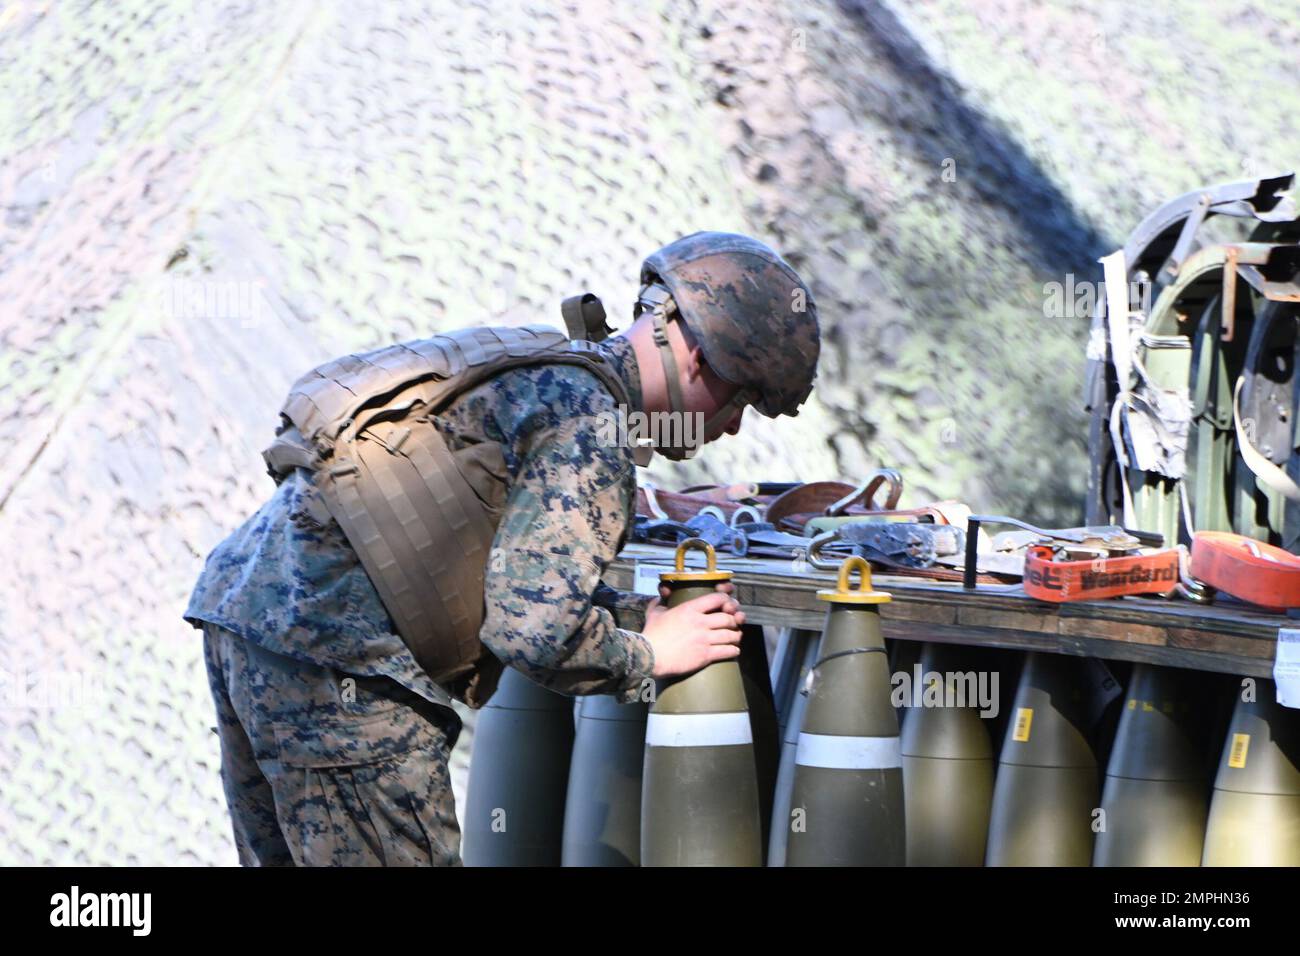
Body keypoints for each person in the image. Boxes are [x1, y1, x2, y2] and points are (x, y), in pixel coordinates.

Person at [183, 231, 821, 865]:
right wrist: (650, 654)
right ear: (699, 360)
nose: (734, 424)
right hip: (342, 671)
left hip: (247, 618)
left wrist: (614, 611)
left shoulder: (539, 365)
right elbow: (533, 630)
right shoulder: (590, 420)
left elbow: (501, 563)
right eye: (741, 399)